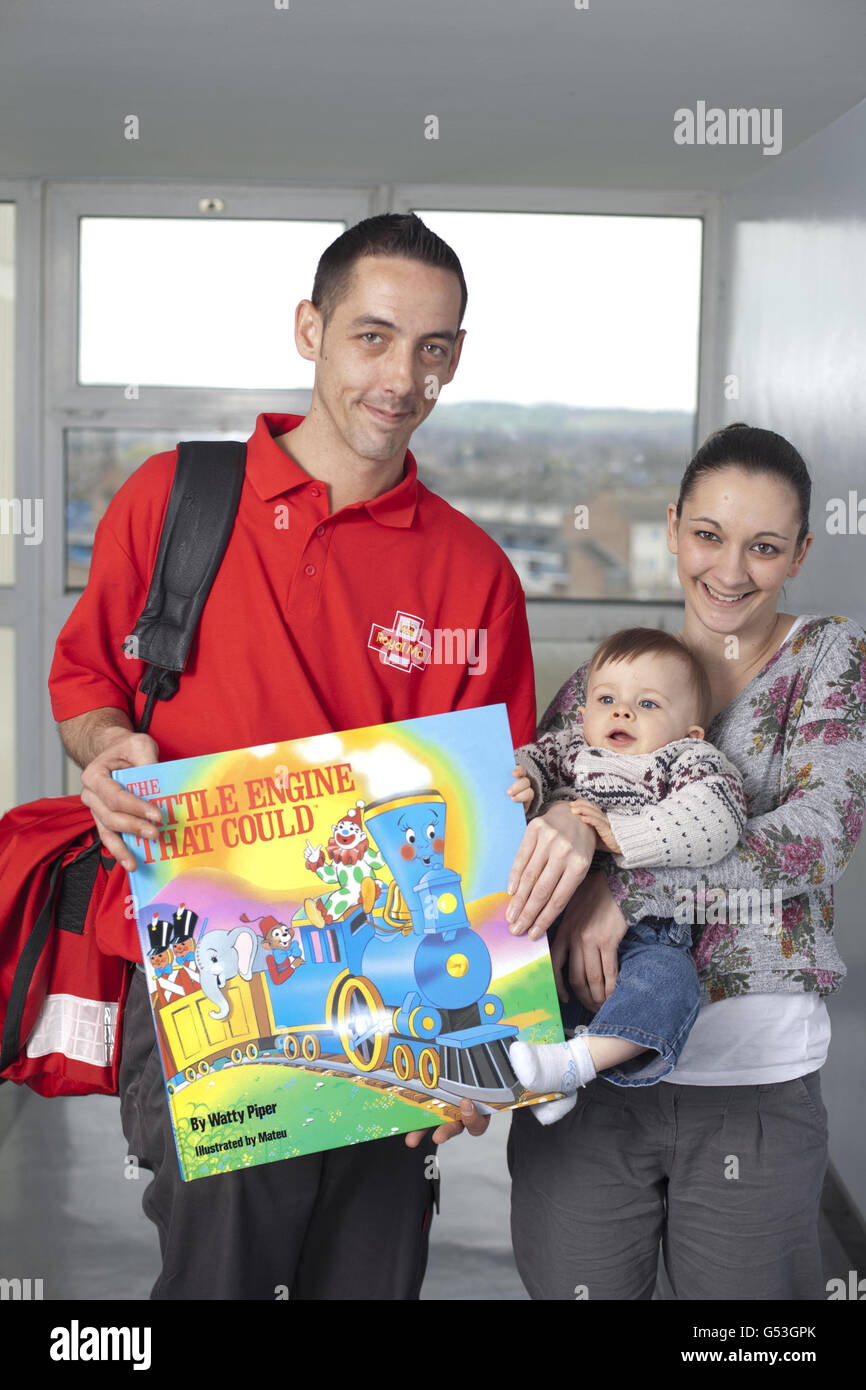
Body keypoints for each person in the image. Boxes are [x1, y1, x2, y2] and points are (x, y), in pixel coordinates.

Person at [48, 212, 537, 1301]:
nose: (401, 377)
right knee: (220, 1280)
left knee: (365, 1283)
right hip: (204, 986)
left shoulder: (474, 576)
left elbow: (484, 825)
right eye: (372, 336)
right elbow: (88, 683)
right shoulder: (173, 502)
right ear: (310, 329)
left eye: (432, 348)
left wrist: (474, 1042)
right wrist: (108, 745)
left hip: (390, 1008)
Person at [504, 422, 866, 1300]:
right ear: (673, 528)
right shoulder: (612, 672)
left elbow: (825, 830)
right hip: (583, 1080)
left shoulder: (830, 657)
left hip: (752, 1078)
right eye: (708, 536)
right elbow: (542, 797)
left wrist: (622, 885)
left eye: (765, 547)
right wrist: (545, 810)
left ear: (801, 553)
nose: (730, 570)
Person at [506, 626, 747, 1112]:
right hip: (548, 920)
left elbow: (719, 819)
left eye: (649, 704)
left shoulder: (685, 760)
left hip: (646, 937)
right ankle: (536, 1080)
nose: (622, 711)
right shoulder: (569, 750)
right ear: (582, 714)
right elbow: (525, 759)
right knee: (500, 966)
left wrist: (622, 835)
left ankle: (573, 1065)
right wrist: (526, 784)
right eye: (607, 698)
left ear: (690, 732)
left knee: (672, 982)